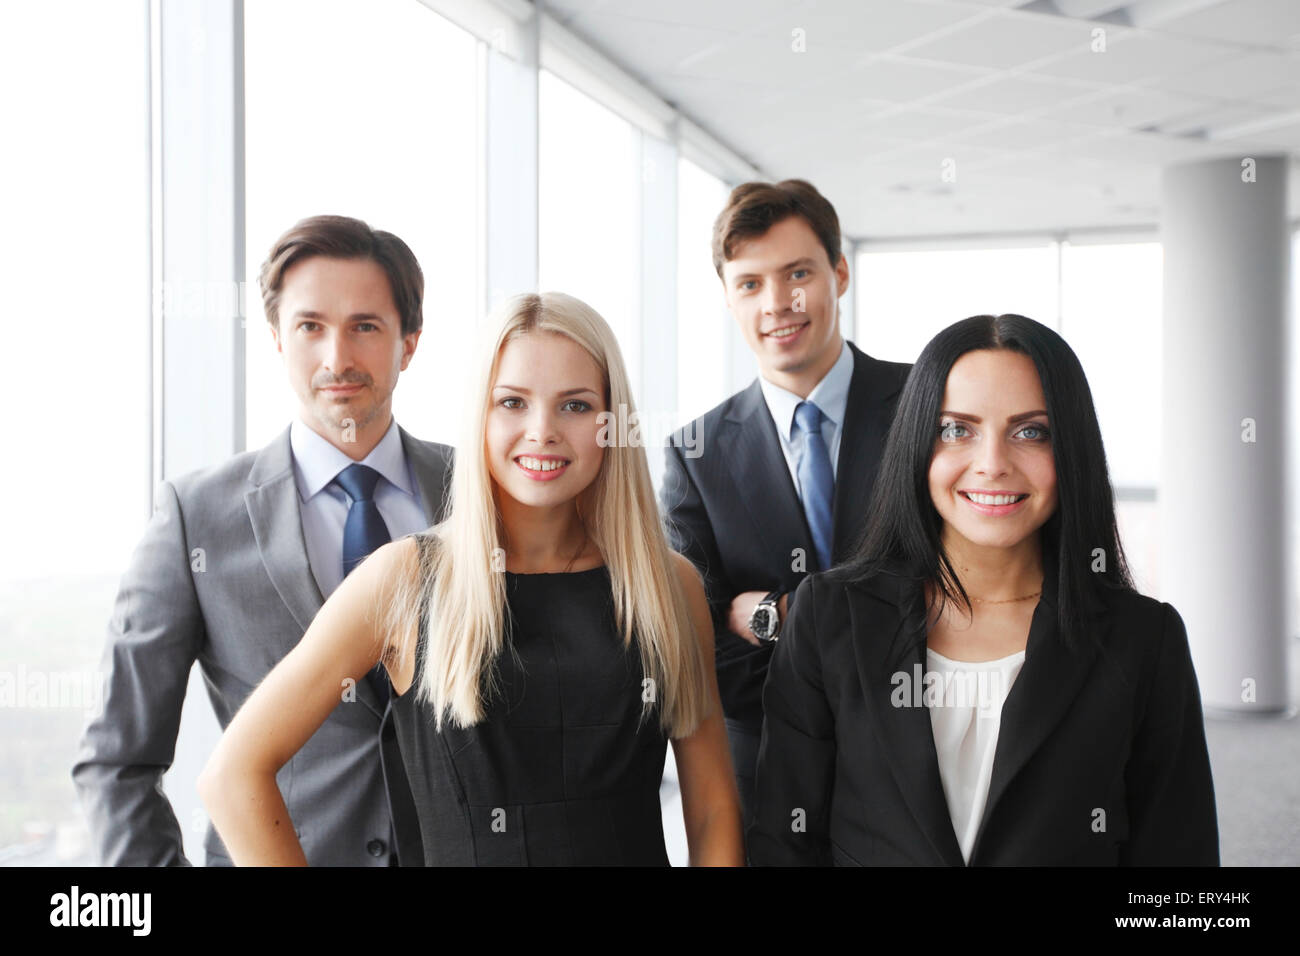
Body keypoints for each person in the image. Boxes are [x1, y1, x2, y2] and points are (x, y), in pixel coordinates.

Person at [198, 291, 745, 866]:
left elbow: (711, 809)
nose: (542, 431)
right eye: (512, 402)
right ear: (479, 414)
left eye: (576, 406)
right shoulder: (405, 579)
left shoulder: (668, 585)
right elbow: (233, 777)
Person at [749, 314, 1219, 866]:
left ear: (1071, 451)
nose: (992, 465)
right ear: (918, 445)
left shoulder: (1143, 640)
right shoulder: (830, 615)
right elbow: (786, 842)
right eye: (956, 429)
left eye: (1031, 432)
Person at [73, 215, 453, 866]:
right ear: (277, 337)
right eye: (310, 327)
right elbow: (118, 762)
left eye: (365, 326)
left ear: (409, 342)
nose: (337, 358)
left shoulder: (478, 495)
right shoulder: (195, 518)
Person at [661, 179, 910, 828]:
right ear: (728, 298)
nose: (777, 303)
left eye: (797, 273)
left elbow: (958, 587)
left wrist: (768, 614)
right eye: (749, 284)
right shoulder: (695, 452)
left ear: (840, 273)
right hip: (769, 781)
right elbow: (694, 640)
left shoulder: (926, 407)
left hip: (923, 758)